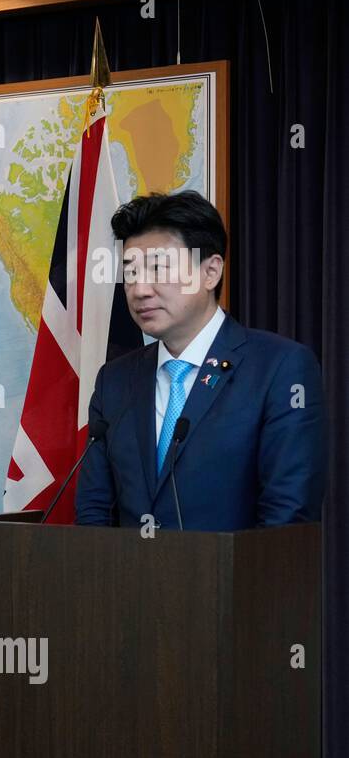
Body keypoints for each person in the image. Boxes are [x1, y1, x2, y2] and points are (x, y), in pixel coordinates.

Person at [76, 191, 325, 529]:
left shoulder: (280, 369)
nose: (139, 290)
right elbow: (94, 512)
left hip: (234, 580)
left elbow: (286, 516)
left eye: (158, 269)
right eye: (131, 273)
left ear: (210, 272)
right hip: (127, 581)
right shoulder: (114, 381)